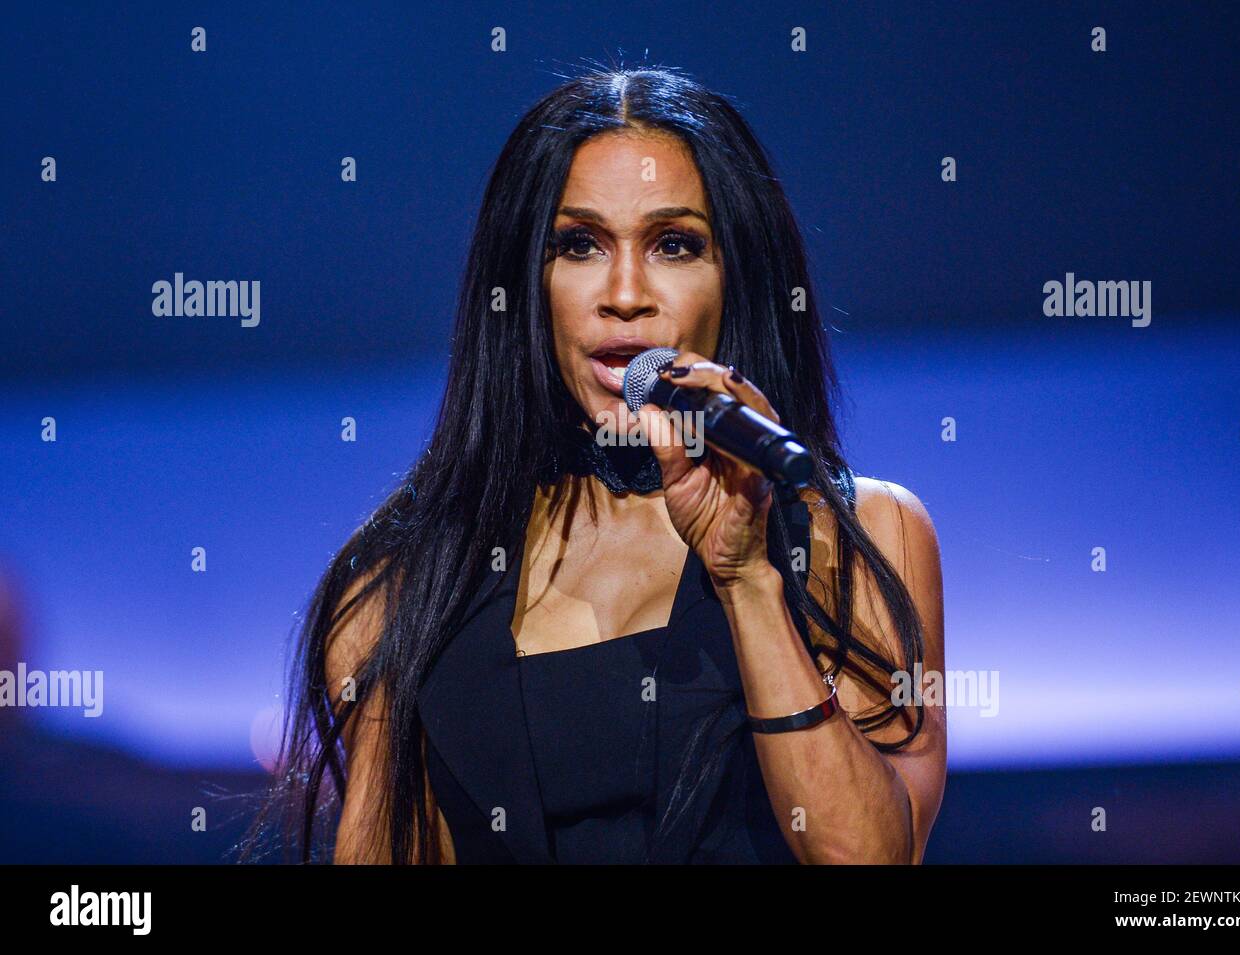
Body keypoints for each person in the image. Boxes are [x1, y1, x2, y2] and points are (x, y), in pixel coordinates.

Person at [245, 66, 946, 865]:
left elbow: (869, 857)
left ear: (736, 280)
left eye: (674, 245)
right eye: (579, 245)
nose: (624, 293)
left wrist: (749, 580)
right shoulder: (404, 587)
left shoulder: (859, 537)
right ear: (525, 284)